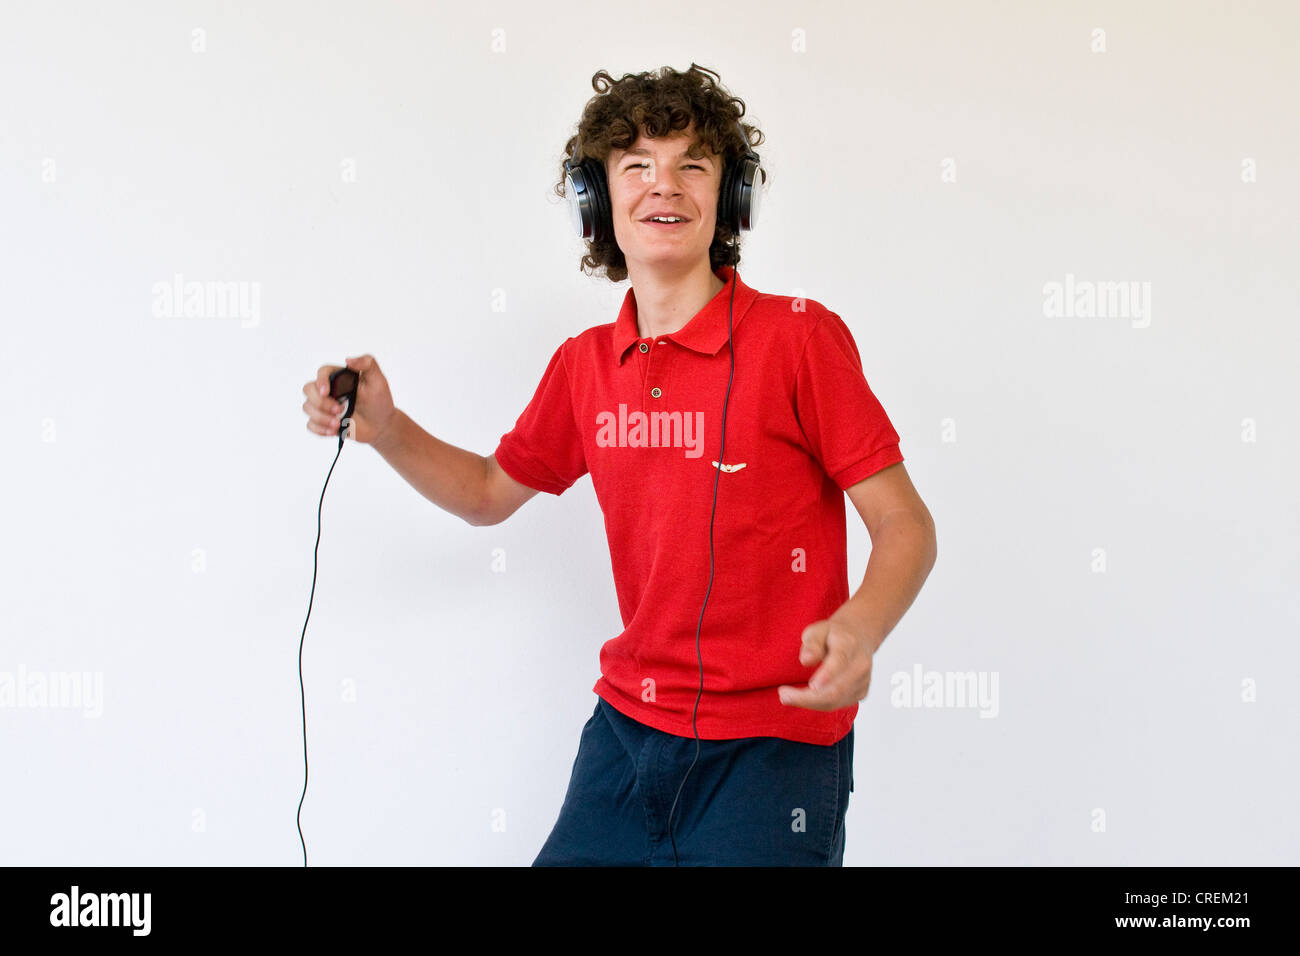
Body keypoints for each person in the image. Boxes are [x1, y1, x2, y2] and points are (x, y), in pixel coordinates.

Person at [301, 64, 937, 866]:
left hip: (774, 748)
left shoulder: (801, 340)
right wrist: (388, 429)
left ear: (731, 198)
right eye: (636, 165)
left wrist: (860, 625)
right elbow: (491, 493)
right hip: (630, 736)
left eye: (692, 166)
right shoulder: (584, 365)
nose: (663, 186)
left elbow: (905, 522)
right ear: (596, 201)